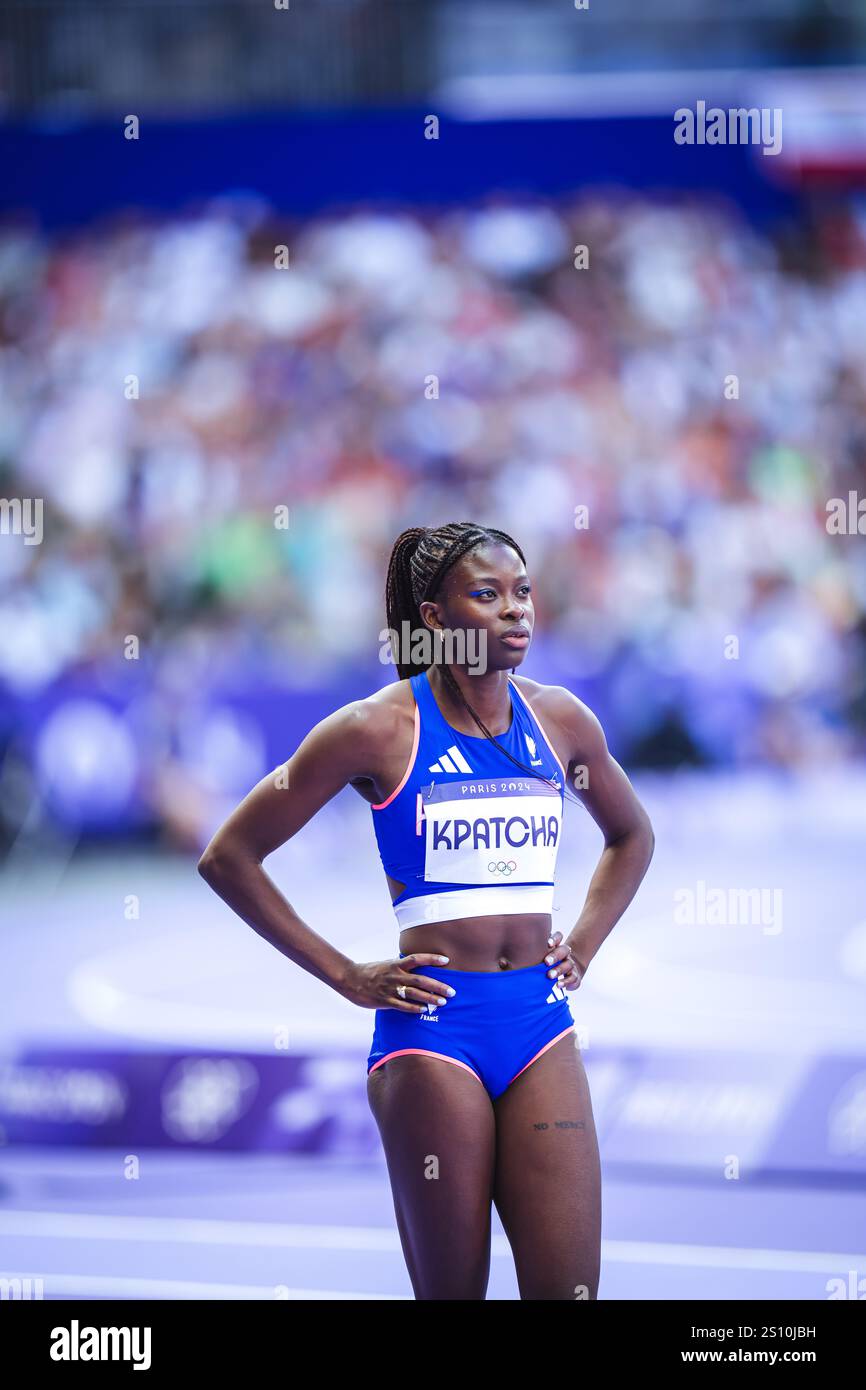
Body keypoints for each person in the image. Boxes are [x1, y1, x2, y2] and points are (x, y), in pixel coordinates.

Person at [197, 521, 654, 1299]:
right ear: (436, 618)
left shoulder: (562, 720)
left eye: (523, 593)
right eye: (487, 595)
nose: (516, 612)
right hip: (434, 1032)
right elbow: (228, 857)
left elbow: (632, 834)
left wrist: (585, 940)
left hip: (540, 1024)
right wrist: (347, 975)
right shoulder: (374, 730)